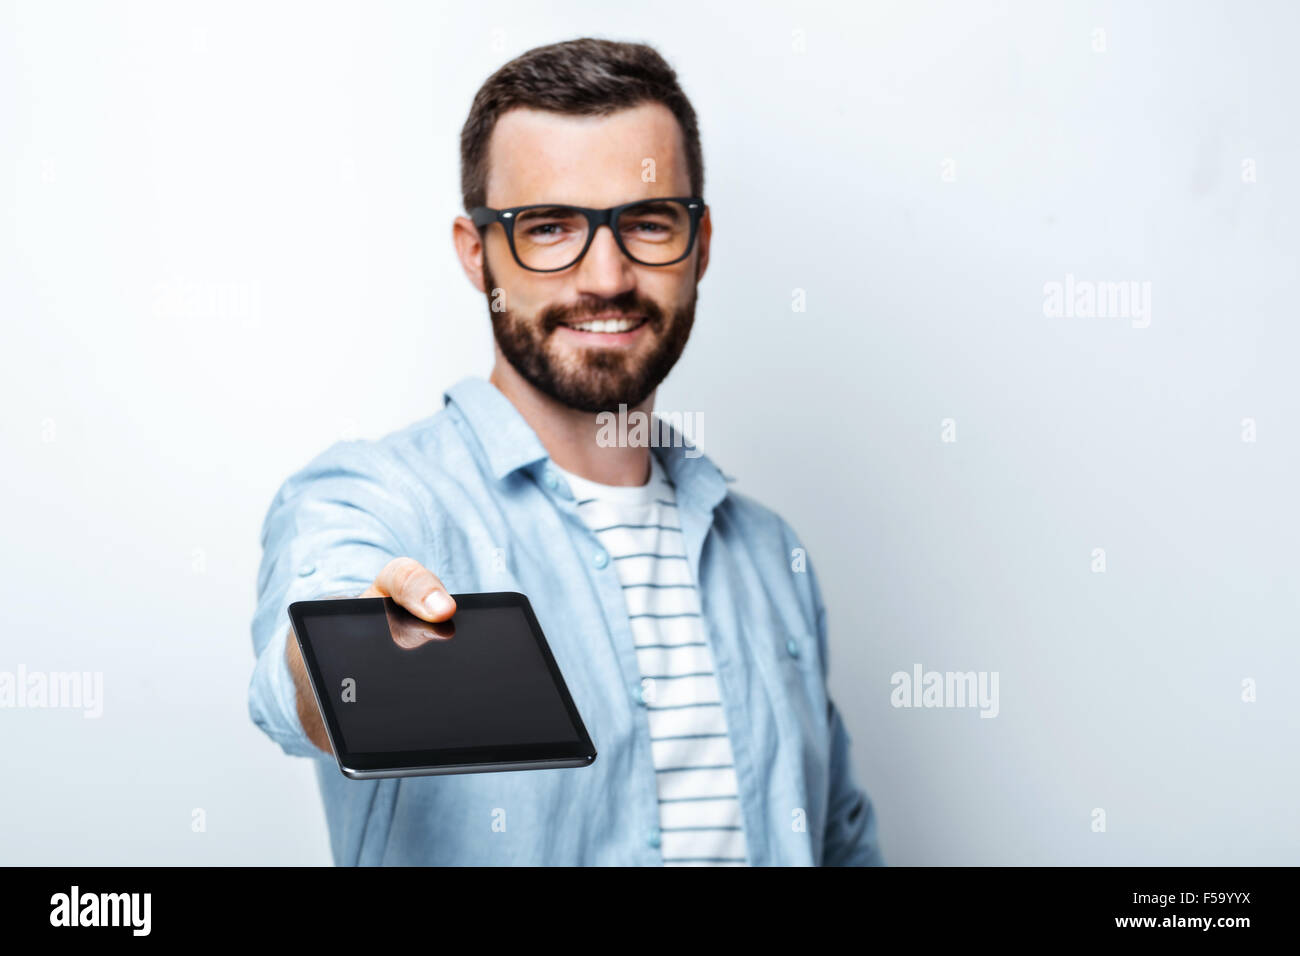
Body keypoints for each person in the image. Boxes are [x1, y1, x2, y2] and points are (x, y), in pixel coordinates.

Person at [249, 36, 883, 866]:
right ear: (478, 255)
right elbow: (296, 678)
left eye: (648, 223)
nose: (608, 277)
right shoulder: (375, 504)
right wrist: (354, 658)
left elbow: (840, 842)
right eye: (550, 229)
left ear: (701, 242)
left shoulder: (770, 555)